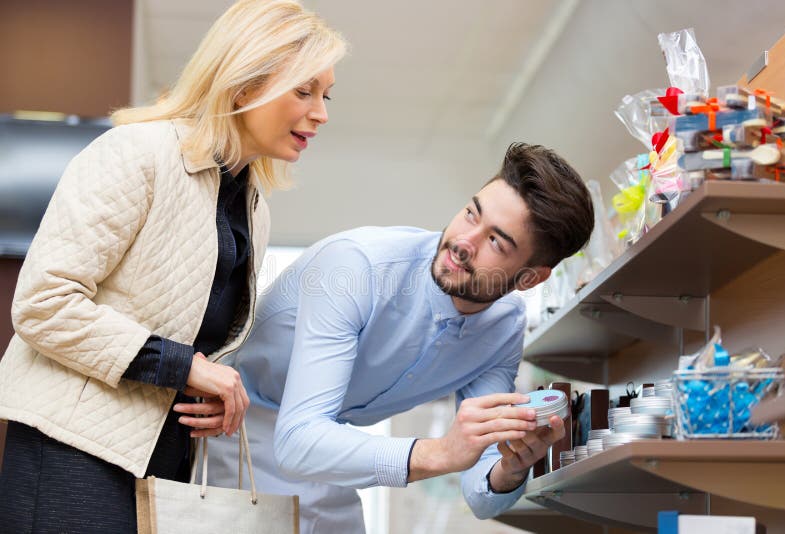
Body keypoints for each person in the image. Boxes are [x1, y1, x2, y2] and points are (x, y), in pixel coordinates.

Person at [0, 1, 346, 532]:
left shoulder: (254, 208)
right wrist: (186, 368)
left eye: (325, 95)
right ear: (243, 83)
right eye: (304, 90)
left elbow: (182, 334)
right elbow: (43, 305)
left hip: (161, 466)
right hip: (73, 453)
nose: (321, 112)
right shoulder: (136, 153)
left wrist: (202, 388)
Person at [199, 142, 595, 533]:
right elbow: (297, 442)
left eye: (495, 241)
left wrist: (509, 468)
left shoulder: (502, 328)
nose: (463, 242)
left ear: (530, 277)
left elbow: (481, 492)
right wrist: (440, 452)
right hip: (238, 436)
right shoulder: (357, 267)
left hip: (332, 447)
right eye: (472, 214)